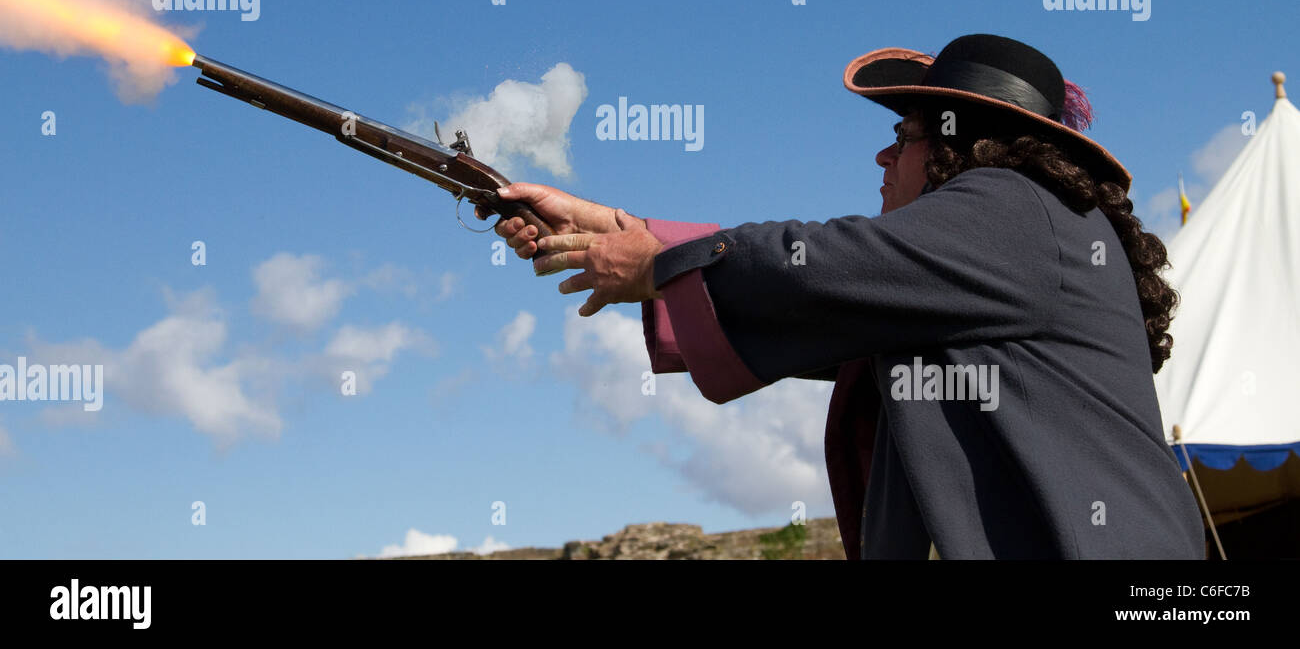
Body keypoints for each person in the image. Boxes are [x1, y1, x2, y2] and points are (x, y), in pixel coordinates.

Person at [480, 34, 1206, 559]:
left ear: (963, 144)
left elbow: (823, 264)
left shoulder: (1014, 202)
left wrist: (657, 260)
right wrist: (619, 230)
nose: (884, 155)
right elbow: (827, 287)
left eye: (904, 133)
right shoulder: (1009, 237)